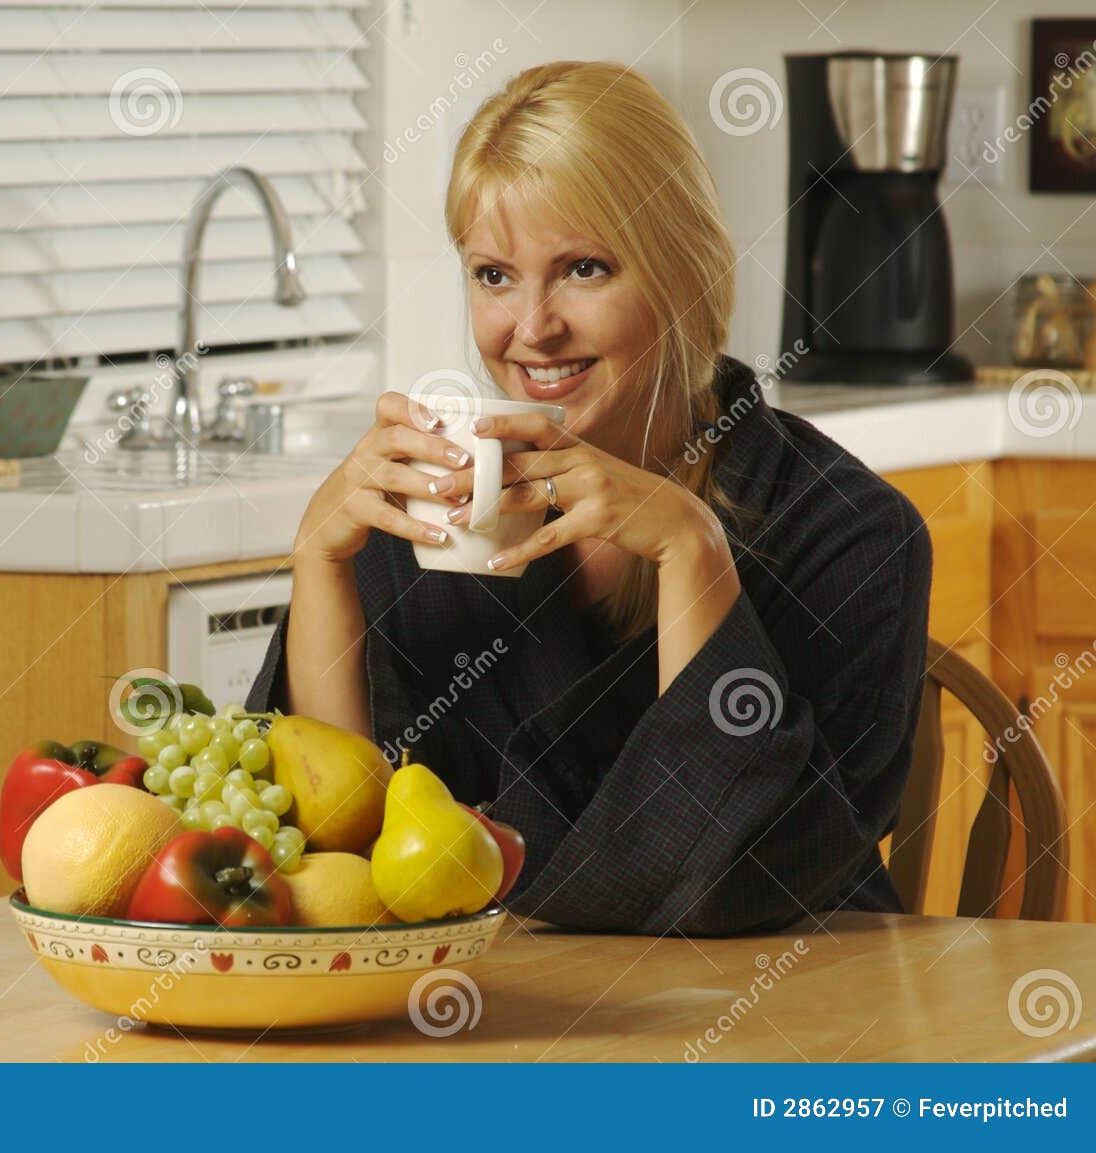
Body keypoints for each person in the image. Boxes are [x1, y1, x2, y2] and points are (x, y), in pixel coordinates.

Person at [243, 60, 933, 936]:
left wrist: (693, 553)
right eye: (494, 275)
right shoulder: (433, 512)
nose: (531, 328)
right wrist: (320, 563)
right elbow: (333, 846)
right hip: (494, 1026)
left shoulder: (853, 534)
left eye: (584, 268)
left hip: (781, 1024)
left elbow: (732, 890)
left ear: (685, 269)